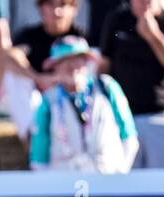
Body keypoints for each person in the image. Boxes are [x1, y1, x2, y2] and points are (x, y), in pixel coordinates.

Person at [98, 0, 164, 170]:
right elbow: (104, 66)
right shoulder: (116, 20)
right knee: (126, 187)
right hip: (123, 118)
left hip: (160, 115)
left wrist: (153, 36)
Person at [29, 35, 137, 172]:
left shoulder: (106, 88)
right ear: (54, 67)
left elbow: (129, 134)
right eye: (64, 60)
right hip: (65, 183)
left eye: (77, 58)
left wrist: (121, 172)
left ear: (87, 62)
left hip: (108, 178)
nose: (71, 65)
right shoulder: (49, 100)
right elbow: (39, 156)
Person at [2, 0, 86, 138]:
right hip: (38, 96)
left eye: (62, 4)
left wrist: (58, 79)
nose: (57, 11)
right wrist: (38, 78)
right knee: (13, 78)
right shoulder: (30, 35)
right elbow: (12, 57)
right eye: (51, 4)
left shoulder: (81, 37)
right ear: (41, 7)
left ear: (74, 8)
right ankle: (32, 138)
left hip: (72, 95)